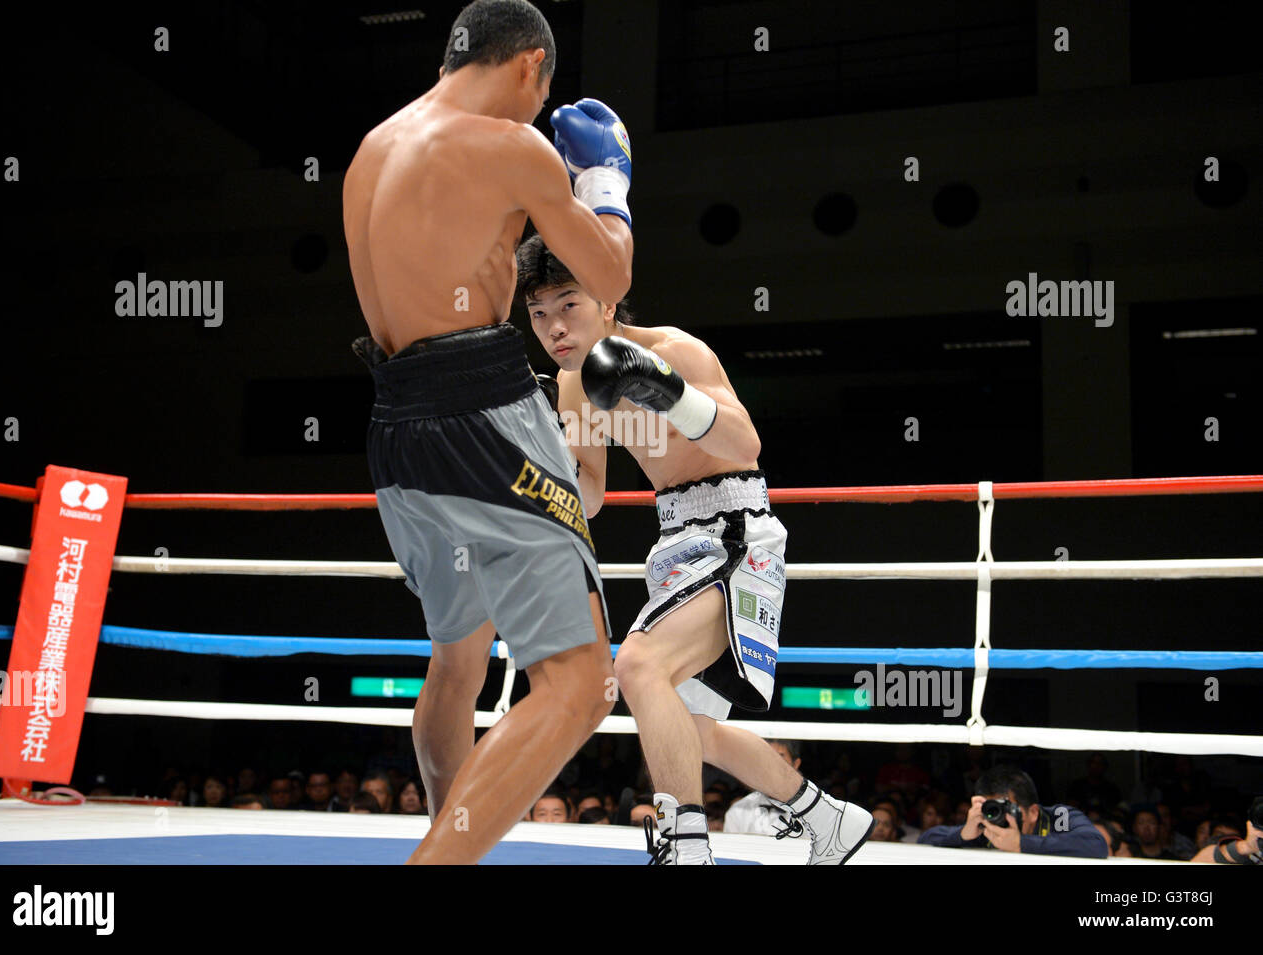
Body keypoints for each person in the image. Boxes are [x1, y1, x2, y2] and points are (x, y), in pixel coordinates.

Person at [342, 0, 634, 866]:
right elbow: (610, 276)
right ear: (530, 65)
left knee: (458, 654)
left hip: (395, 423)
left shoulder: (370, 150)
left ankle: (447, 837)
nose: (538, 117)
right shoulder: (511, 145)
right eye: (539, 98)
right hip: (483, 411)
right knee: (580, 685)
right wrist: (605, 183)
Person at [519, 236, 873, 865]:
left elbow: (745, 446)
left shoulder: (675, 350)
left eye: (567, 305)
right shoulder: (575, 386)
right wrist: (538, 444)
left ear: (606, 299)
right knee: (694, 730)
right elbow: (591, 495)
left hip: (736, 528)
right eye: (538, 312)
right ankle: (831, 819)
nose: (554, 328)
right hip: (676, 539)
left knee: (635, 666)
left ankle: (684, 844)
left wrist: (666, 391)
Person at [918, 766, 1107, 859]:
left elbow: (1094, 845)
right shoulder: (988, 828)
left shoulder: (1058, 817)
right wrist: (962, 834)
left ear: (1033, 812)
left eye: (1008, 808)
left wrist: (1020, 843)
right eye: (993, 809)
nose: (1002, 818)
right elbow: (926, 839)